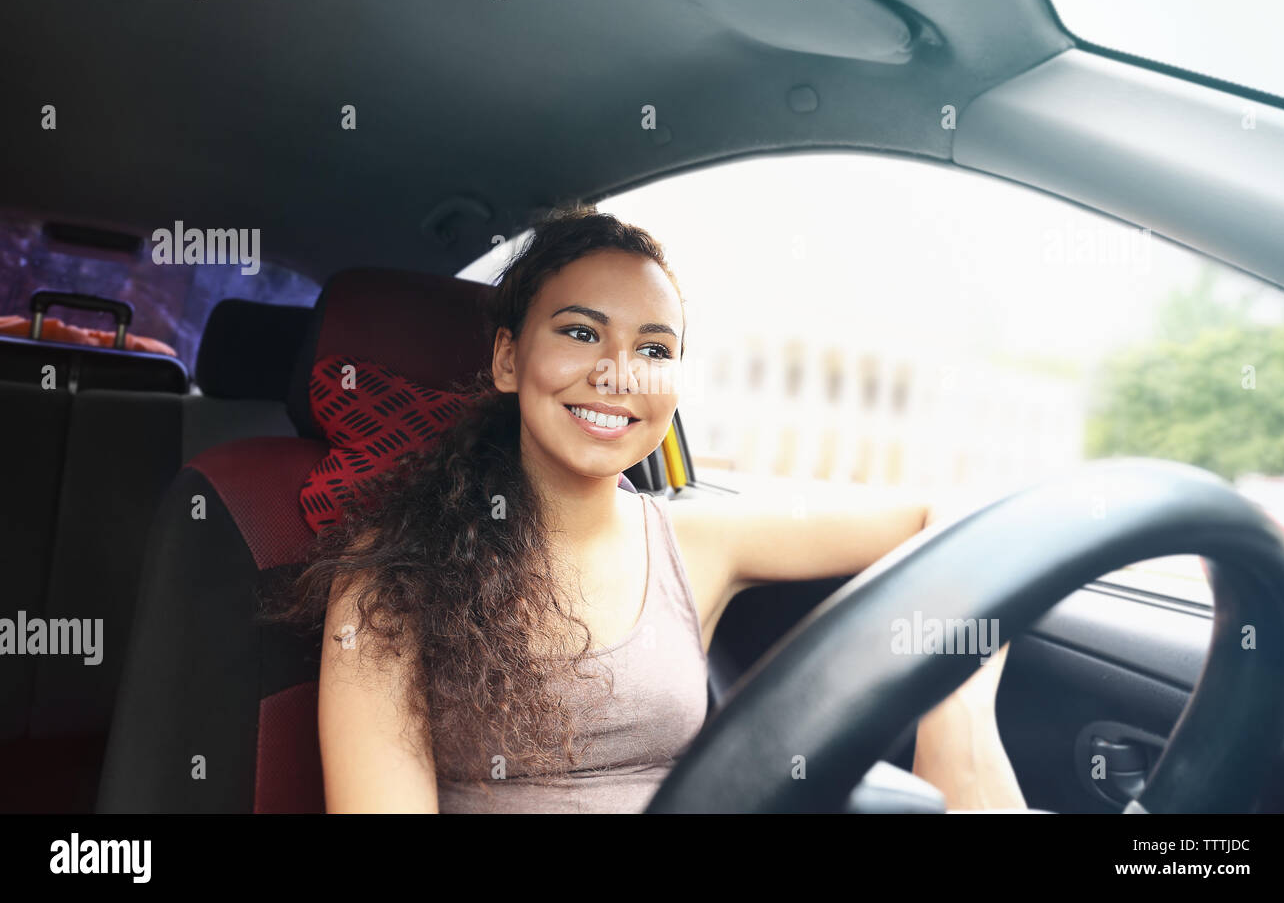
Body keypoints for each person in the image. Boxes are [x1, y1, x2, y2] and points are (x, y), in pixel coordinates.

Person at [278, 207, 1027, 813]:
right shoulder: (392, 575)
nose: (617, 373)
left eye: (655, 348)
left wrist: (954, 729)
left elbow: (963, 526)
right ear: (509, 359)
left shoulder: (699, 538)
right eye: (580, 332)